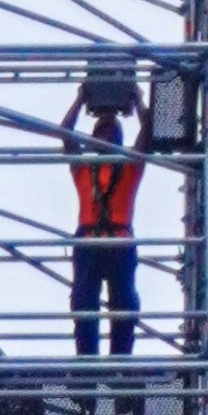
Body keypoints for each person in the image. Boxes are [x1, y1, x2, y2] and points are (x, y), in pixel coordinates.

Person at [63, 67, 149, 354]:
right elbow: (65, 134)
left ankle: (120, 362)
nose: (106, 136)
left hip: (118, 243)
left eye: (111, 132)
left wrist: (137, 98)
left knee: (124, 306)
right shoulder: (84, 168)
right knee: (83, 304)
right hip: (89, 242)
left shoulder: (128, 167)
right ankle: (87, 361)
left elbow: (149, 131)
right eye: (102, 132)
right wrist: (80, 99)